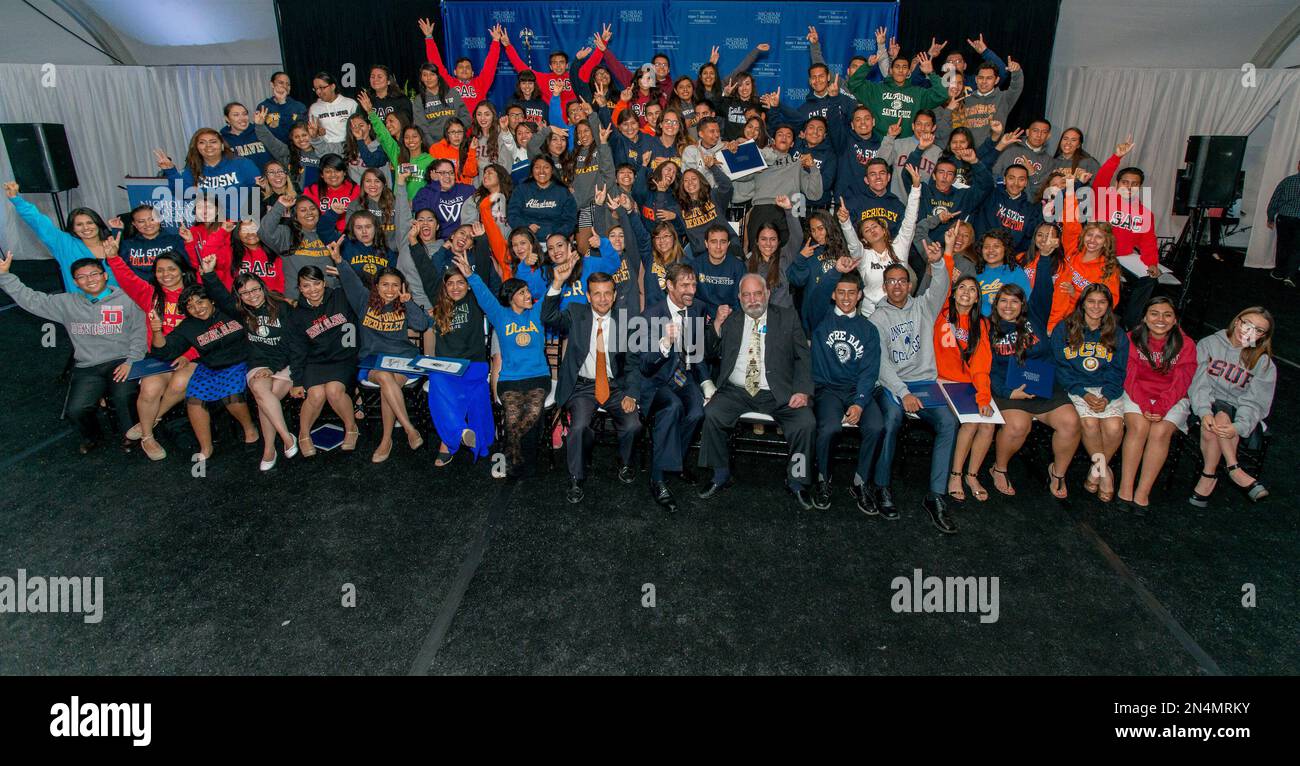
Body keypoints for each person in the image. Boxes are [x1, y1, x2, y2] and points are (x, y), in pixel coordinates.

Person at [0, 252, 142, 454]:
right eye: (82, 277)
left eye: (94, 274)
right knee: (76, 409)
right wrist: (5, 276)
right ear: (75, 282)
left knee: (124, 395)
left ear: (105, 276)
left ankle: (132, 435)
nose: (89, 280)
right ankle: (93, 436)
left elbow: (140, 333)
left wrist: (132, 361)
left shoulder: (127, 299)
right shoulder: (65, 303)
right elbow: (31, 299)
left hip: (122, 360)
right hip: (87, 366)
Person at [697, 274, 817, 509]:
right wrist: (717, 326)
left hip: (777, 391)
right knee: (712, 414)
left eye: (757, 293)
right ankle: (721, 474)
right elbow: (709, 352)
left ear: (767, 294)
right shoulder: (731, 319)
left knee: (805, 423)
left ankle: (797, 480)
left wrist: (802, 390)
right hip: (737, 390)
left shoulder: (787, 317)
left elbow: (804, 357)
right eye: (746, 295)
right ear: (739, 297)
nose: (752, 300)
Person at [867, 247, 959, 534]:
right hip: (891, 384)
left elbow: (941, 287)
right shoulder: (876, 318)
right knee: (891, 420)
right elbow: (880, 364)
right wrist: (903, 392)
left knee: (949, 422)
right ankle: (881, 487)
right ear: (884, 287)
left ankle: (936, 495)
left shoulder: (923, 307)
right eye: (891, 281)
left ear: (909, 285)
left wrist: (938, 264)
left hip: (925, 383)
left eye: (902, 281)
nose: (897, 285)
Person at [543, 267, 642, 503]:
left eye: (607, 293)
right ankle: (577, 477)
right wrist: (557, 283)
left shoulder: (625, 321)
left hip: (615, 386)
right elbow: (548, 317)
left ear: (615, 295)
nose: (602, 299)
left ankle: (624, 461)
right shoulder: (576, 313)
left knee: (633, 424)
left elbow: (633, 363)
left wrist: (632, 393)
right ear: (588, 296)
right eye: (597, 294)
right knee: (578, 428)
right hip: (582, 386)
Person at [154, 255, 260, 460]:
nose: (197, 308)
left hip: (239, 362)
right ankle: (205, 447)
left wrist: (209, 274)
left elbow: (221, 292)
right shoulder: (188, 327)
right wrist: (157, 332)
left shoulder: (229, 311)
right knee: (194, 401)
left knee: (231, 396)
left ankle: (250, 430)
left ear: (211, 301)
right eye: (191, 307)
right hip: (210, 367)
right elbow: (165, 351)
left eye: (201, 302)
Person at [331, 245, 430, 463]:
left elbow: (422, 325)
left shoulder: (404, 304)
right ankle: (408, 429)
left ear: (401, 287)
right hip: (373, 361)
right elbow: (350, 281)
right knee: (385, 376)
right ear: (376, 286)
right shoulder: (363, 301)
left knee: (388, 382)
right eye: (385, 284)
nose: (389, 289)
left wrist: (409, 303)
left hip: (404, 360)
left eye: (395, 285)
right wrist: (339, 259)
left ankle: (386, 440)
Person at [985, 283, 1081, 499]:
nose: (1008, 306)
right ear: (995, 303)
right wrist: (1007, 392)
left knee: (1071, 422)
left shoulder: (1035, 319)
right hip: (1009, 389)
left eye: (1014, 301)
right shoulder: (987, 328)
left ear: (1022, 304)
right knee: (1019, 426)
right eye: (1003, 301)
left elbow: (1043, 289)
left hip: (1044, 386)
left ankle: (1058, 472)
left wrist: (1046, 256)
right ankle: (999, 468)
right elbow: (985, 368)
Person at [459, 251, 550, 478]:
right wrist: (470, 275)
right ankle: (517, 459)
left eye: (528, 291)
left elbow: (553, 291)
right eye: (522, 292)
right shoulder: (500, 316)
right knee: (511, 416)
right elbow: (483, 296)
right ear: (511, 297)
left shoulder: (537, 313)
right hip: (509, 378)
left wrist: (559, 276)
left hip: (538, 375)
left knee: (532, 413)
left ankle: (508, 454)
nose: (528, 295)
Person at [203, 266, 297, 471]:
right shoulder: (241, 311)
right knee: (261, 392)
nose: (251, 296)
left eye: (255, 290)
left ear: (263, 288)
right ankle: (285, 436)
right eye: (245, 292)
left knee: (265, 399)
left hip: (285, 363)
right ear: (239, 296)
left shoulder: (282, 308)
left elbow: (291, 345)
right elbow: (219, 295)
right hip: (259, 363)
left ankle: (269, 449)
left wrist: (273, 368)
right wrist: (209, 273)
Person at [638, 262, 711, 513]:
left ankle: (672, 460)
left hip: (685, 378)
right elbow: (646, 367)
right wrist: (664, 342)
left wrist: (707, 383)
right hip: (656, 382)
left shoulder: (698, 309)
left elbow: (697, 353)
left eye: (693, 284)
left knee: (697, 412)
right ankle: (657, 478)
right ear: (669, 286)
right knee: (672, 407)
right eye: (685, 285)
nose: (691, 289)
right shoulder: (650, 315)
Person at [809, 270, 884, 512]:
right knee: (829, 428)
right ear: (833, 294)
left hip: (856, 390)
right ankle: (823, 478)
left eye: (851, 293)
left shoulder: (868, 329)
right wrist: (835, 273)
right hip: (828, 389)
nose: (846, 298)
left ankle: (860, 482)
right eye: (840, 292)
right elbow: (816, 294)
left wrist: (860, 402)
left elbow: (870, 371)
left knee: (876, 426)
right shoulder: (822, 318)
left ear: (860, 295)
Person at [1188, 307, 1277, 506]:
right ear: (1237, 321)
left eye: (1258, 330)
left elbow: (1255, 402)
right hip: (1204, 403)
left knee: (1222, 418)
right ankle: (1233, 468)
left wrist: (1239, 426)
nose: (1249, 331)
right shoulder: (1209, 344)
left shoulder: (1263, 362)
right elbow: (1198, 383)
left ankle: (1209, 474)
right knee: (1218, 416)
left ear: (1264, 336)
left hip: (1239, 413)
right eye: (1247, 323)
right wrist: (1203, 411)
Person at [1051, 283, 1129, 502]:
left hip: (1106, 389)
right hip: (1076, 387)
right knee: (1090, 424)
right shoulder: (1064, 328)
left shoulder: (1117, 333)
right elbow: (1060, 367)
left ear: (1108, 306)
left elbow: (1119, 370)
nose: (1096, 306)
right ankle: (1104, 474)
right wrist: (1083, 394)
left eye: (1102, 302)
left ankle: (1095, 471)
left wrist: (1107, 396)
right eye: (1091, 301)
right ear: (1082, 302)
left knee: (1114, 428)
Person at [1118, 297, 1196, 513]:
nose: (1160, 319)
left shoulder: (1186, 344)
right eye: (1154, 313)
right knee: (1139, 427)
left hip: (1171, 398)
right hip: (1136, 393)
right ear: (1144, 316)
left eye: (1167, 315)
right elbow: (1129, 377)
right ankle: (1125, 487)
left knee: (1160, 432)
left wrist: (1161, 407)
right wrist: (1145, 405)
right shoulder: (1130, 339)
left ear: (1174, 320)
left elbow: (1181, 382)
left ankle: (1143, 492)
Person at [285, 265, 360, 455]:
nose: (313, 289)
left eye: (316, 283)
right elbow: (297, 350)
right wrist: (297, 381)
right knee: (316, 394)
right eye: (306, 286)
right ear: (300, 289)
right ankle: (303, 434)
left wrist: (345, 272)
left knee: (334, 391)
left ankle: (351, 427)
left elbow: (366, 286)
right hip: (315, 362)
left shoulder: (340, 296)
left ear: (324, 283)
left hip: (343, 358)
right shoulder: (297, 315)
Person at [934, 271, 995, 502]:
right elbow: (942, 280)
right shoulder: (940, 313)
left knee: (988, 426)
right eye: (962, 288)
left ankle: (972, 475)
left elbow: (981, 364)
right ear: (953, 292)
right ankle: (955, 475)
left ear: (978, 297)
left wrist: (983, 397)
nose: (967, 293)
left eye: (972, 289)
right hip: (941, 382)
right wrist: (947, 259)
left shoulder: (982, 324)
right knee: (970, 423)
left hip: (967, 384)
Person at [425, 270, 494, 467]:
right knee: (436, 379)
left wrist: (480, 239)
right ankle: (459, 433)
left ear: (468, 285)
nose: (455, 287)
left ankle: (448, 441)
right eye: (450, 284)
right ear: (444, 288)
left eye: (460, 283)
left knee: (469, 390)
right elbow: (426, 272)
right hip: (447, 368)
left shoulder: (475, 301)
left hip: (474, 364)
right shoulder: (439, 309)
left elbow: (482, 274)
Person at [4, 182, 120, 295]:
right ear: (72, 228)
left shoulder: (112, 242)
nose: (85, 227)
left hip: (117, 301)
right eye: (79, 224)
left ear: (97, 224)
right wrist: (16, 199)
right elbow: (38, 222)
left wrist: (119, 231)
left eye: (90, 223)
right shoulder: (64, 243)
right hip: (83, 306)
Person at [850, 166, 921, 312]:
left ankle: (904, 308)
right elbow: (851, 239)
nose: (872, 230)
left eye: (882, 173)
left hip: (895, 250)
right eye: (873, 174)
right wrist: (844, 223)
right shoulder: (855, 203)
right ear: (866, 179)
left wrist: (915, 188)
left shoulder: (896, 203)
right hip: (864, 257)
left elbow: (909, 222)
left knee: (911, 278)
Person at [156, 128, 262, 219]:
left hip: (241, 224)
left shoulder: (242, 164)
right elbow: (182, 193)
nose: (208, 146)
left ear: (222, 145)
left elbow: (258, 192)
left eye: (213, 141)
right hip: (210, 226)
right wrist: (170, 171)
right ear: (196, 148)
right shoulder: (192, 169)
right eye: (202, 142)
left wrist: (246, 222)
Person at [844, 46, 946, 139]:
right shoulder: (876, 90)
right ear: (891, 70)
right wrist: (868, 65)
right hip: (879, 145)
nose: (901, 70)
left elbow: (942, 95)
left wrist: (931, 73)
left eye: (905, 67)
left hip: (906, 148)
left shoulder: (918, 93)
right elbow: (853, 84)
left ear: (908, 72)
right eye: (897, 67)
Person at [419, 19, 503, 113]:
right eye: (460, 67)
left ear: (472, 73)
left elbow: (490, 66)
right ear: (454, 72)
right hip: (454, 126)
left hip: (476, 126)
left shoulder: (480, 84)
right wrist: (429, 38)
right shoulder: (449, 83)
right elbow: (436, 64)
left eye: (467, 67)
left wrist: (495, 41)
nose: (464, 69)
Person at [114, 204, 187, 281]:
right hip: (139, 289)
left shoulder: (175, 240)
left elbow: (187, 266)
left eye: (152, 219)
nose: (148, 224)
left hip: (171, 287)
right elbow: (117, 267)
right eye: (141, 221)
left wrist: (189, 241)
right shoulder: (127, 245)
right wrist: (116, 231)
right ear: (134, 224)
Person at [973, 228, 1031, 316]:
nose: (990, 250)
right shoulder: (975, 272)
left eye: (996, 246)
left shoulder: (1015, 271)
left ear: (1005, 249)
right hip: (981, 324)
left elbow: (1026, 300)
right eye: (986, 247)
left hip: (1007, 324)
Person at [1267, 159, 1300, 284]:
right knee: (1297, 248)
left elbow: (1275, 200)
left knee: (1283, 246)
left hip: (1285, 218)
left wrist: (1270, 217)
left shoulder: (1287, 181)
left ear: (1298, 166)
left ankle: (1279, 272)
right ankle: (1290, 276)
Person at [307, 71, 360, 145]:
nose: (318, 92)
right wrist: (317, 133)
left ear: (333, 87)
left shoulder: (350, 103)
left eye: (322, 88)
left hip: (350, 145)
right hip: (327, 147)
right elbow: (313, 133)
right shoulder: (314, 108)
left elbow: (360, 127)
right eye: (316, 89)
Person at [257, 71, 308, 145]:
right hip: (274, 150)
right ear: (272, 84)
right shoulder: (263, 107)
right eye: (281, 83)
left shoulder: (299, 106)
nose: (284, 86)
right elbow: (262, 134)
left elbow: (300, 133)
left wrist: (282, 102)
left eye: (288, 84)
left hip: (297, 149)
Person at [220, 102, 272, 171]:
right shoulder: (221, 141)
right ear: (227, 119)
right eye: (236, 115)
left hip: (266, 179)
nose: (242, 118)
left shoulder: (260, 131)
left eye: (244, 114)